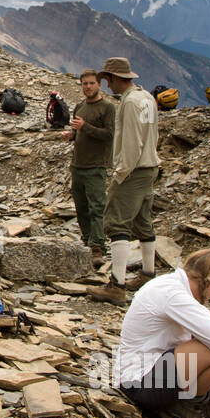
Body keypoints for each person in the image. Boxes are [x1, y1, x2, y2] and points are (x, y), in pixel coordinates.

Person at [114, 248, 210, 418]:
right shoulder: (173, 295)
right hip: (139, 383)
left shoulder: (173, 286)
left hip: (148, 371)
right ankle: (189, 406)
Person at [88, 56, 159, 305]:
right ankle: (148, 274)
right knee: (142, 219)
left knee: (117, 222)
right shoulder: (147, 97)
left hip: (133, 169)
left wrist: (120, 173)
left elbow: (131, 141)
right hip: (150, 166)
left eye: (108, 80)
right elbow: (152, 134)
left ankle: (116, 285)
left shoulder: (129, 103)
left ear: (117, 78)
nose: (108, 85)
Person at [60, 68, 114, 270]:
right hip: (78, 164)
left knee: (96, 206)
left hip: (96, 165)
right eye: (85, 84)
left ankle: (98, 247)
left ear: (99, 85)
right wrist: (71, 135)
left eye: (92, 83)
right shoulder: (80, 106)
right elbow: (78, 132)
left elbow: (109, 134)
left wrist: (85, 127)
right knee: (81, 206)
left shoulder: (107, 108)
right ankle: (88, 241)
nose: (88, 87)